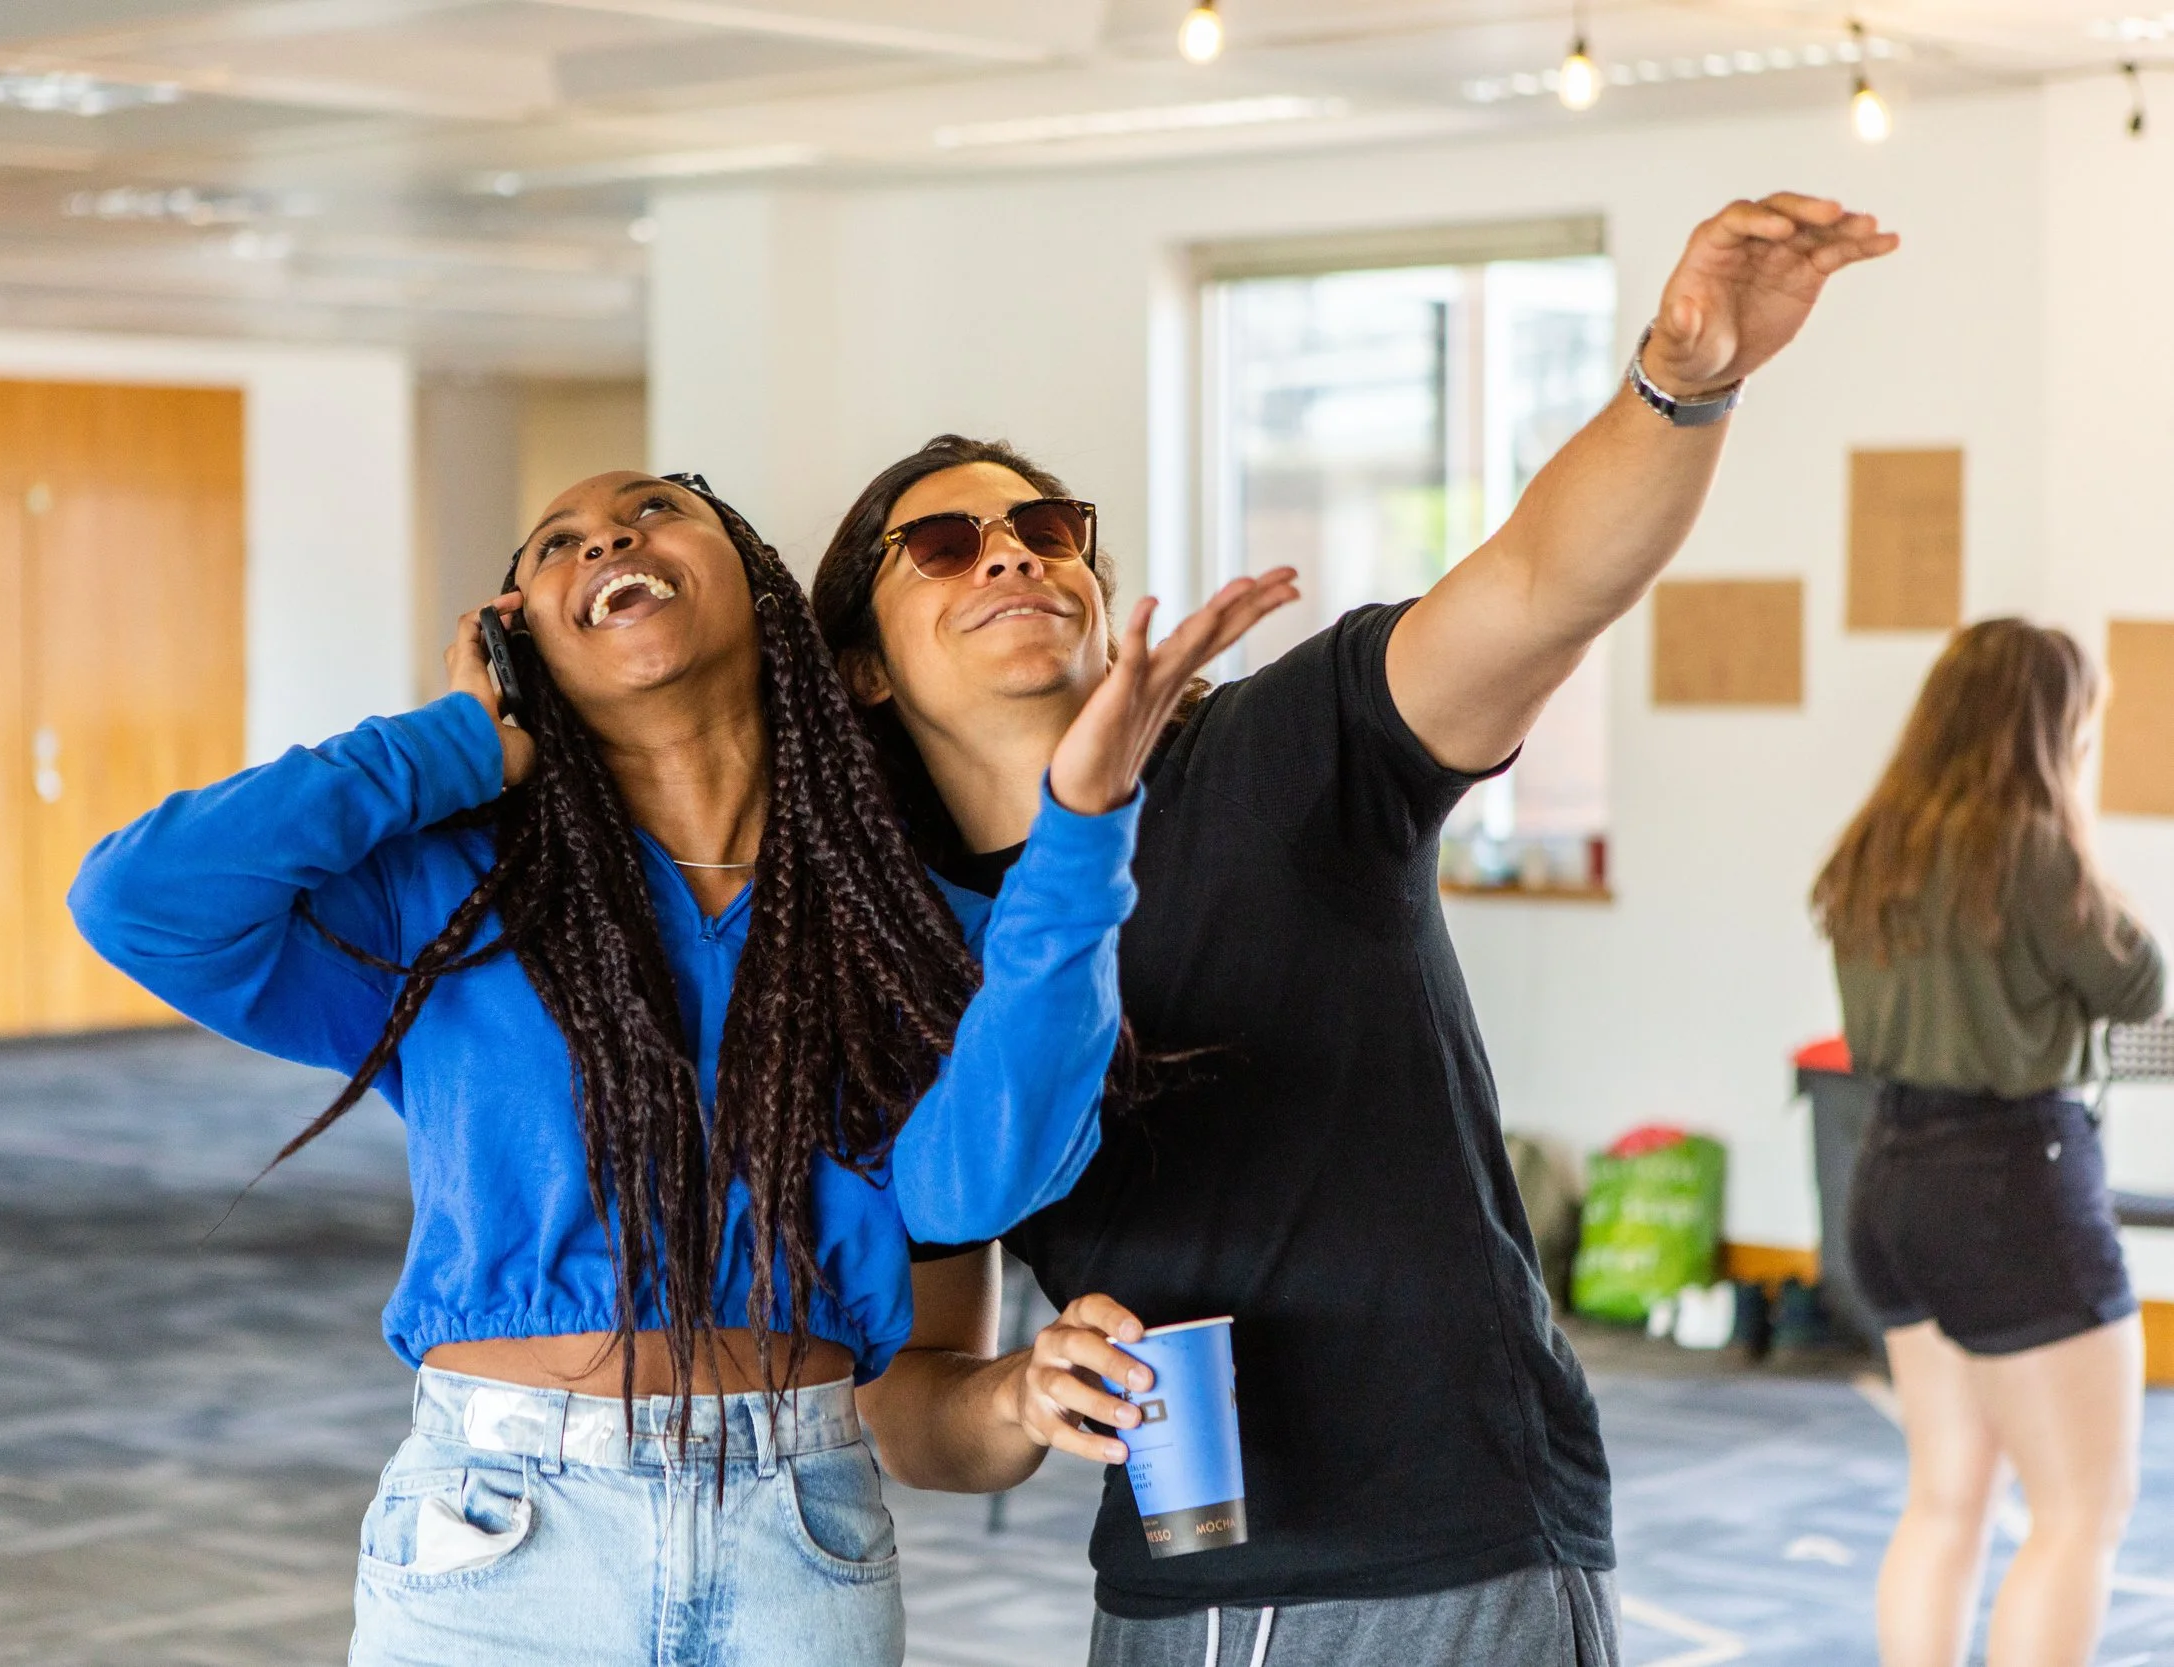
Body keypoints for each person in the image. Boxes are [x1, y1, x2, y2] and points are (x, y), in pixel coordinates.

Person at [817, 193, 1898, 1665]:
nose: (1011, 554)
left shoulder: (1286, 749)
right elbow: (917, 1388)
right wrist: (1016, 1396)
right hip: (1183, 1574)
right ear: (863, 669)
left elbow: (1539, 584)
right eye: (941, 545)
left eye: (1045, 526)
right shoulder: (899, 950)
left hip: (1454, 1533)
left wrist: (1682, 381)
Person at [68, 471, 1293, 1667]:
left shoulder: (905, 925)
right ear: (522, 644)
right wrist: (452, 746)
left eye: (654, 511)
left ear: (759, 598)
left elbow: (975, 1185)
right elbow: (142, 900)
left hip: (796, 1535)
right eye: (555, 545)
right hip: (500, 1536)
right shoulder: (445, 895)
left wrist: (1081, 828)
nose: (603, 540)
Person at [1815, 619, 2164, 1667]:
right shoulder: (2033, 847)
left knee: (1945, 1496)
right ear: (2050, 727)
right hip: (2011, 1179)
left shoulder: (1872, 843)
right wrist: (2077, 829)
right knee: (2080, 1510)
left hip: (1888, 1173)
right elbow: (2137, 981)